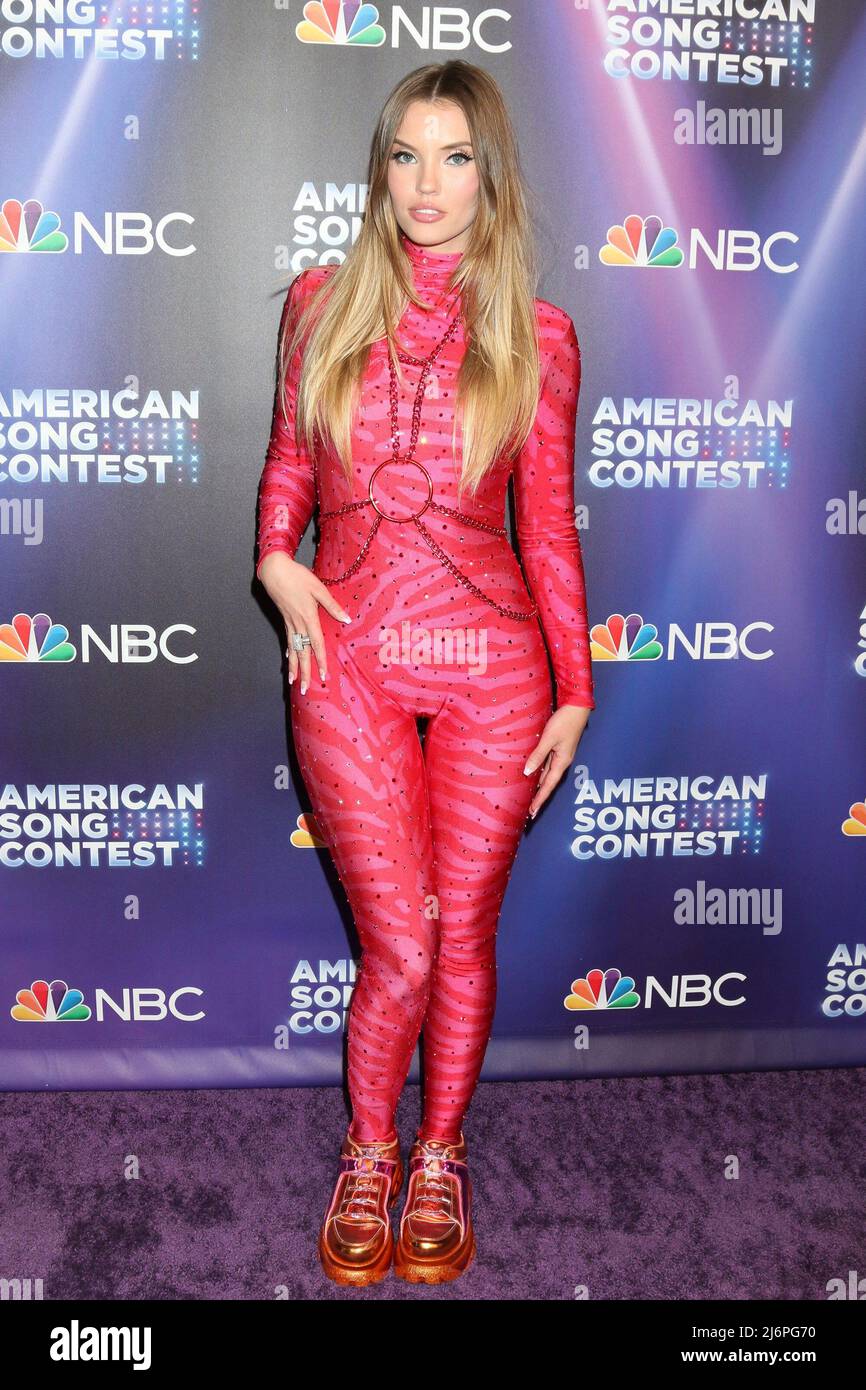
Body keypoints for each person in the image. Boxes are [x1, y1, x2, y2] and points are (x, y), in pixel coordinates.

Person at [255, 59, 595, 1287]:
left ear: (488, 177)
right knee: (398, 944)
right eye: (405, 154)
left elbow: (546, 528)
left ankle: (437, 1154)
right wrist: (273, 562)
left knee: (462, 937)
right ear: (378, 168)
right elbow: (288, 469)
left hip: (493, 664)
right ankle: (366, 1150)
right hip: (345, 653)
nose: (425, 183)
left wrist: (575, 688)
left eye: (453, 157)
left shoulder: (540, 338)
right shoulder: (316, 304)